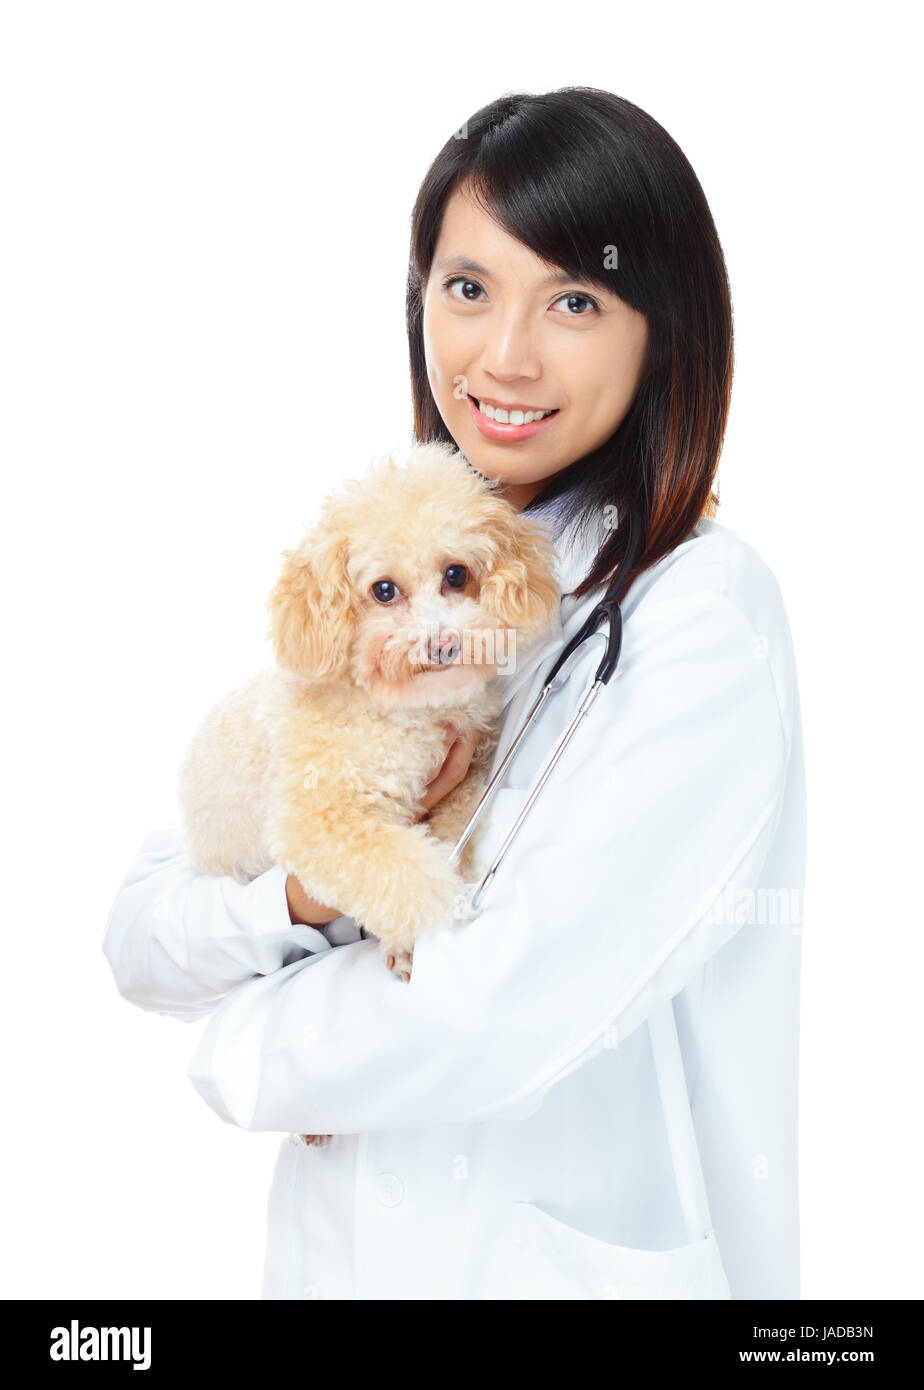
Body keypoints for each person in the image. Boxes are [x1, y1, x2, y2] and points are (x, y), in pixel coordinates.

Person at [103, 87, 805, 1300]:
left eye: (575, 300)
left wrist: (238, 1051)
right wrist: (311, 892)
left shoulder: (702, 623)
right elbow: (142, 932)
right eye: (468, 288)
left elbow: (500, 1007)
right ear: (418, 296)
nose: (505, 357)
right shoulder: (379, 567)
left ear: (664, 328)